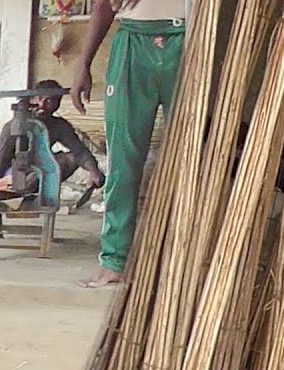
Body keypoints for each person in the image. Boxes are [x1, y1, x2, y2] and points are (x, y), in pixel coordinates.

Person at [72, 0, 187, 288]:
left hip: (190, 40)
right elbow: (103, 4)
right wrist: (83, 64)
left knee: (191, 157)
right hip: (133, 40)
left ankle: (186, 257)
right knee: (123, 161)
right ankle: (115, 260)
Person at [0, 80, 106, 208]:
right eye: (39, 98)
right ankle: (13, 194)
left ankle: (42, 196)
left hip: (37, 176)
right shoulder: (13, 126)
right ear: (31, 99)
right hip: (10, 178)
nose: (42, 104)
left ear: (57, 103)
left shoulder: (59, 126)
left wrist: (94, 171)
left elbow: (80, 152)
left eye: (49, 100)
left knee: (70, 159)